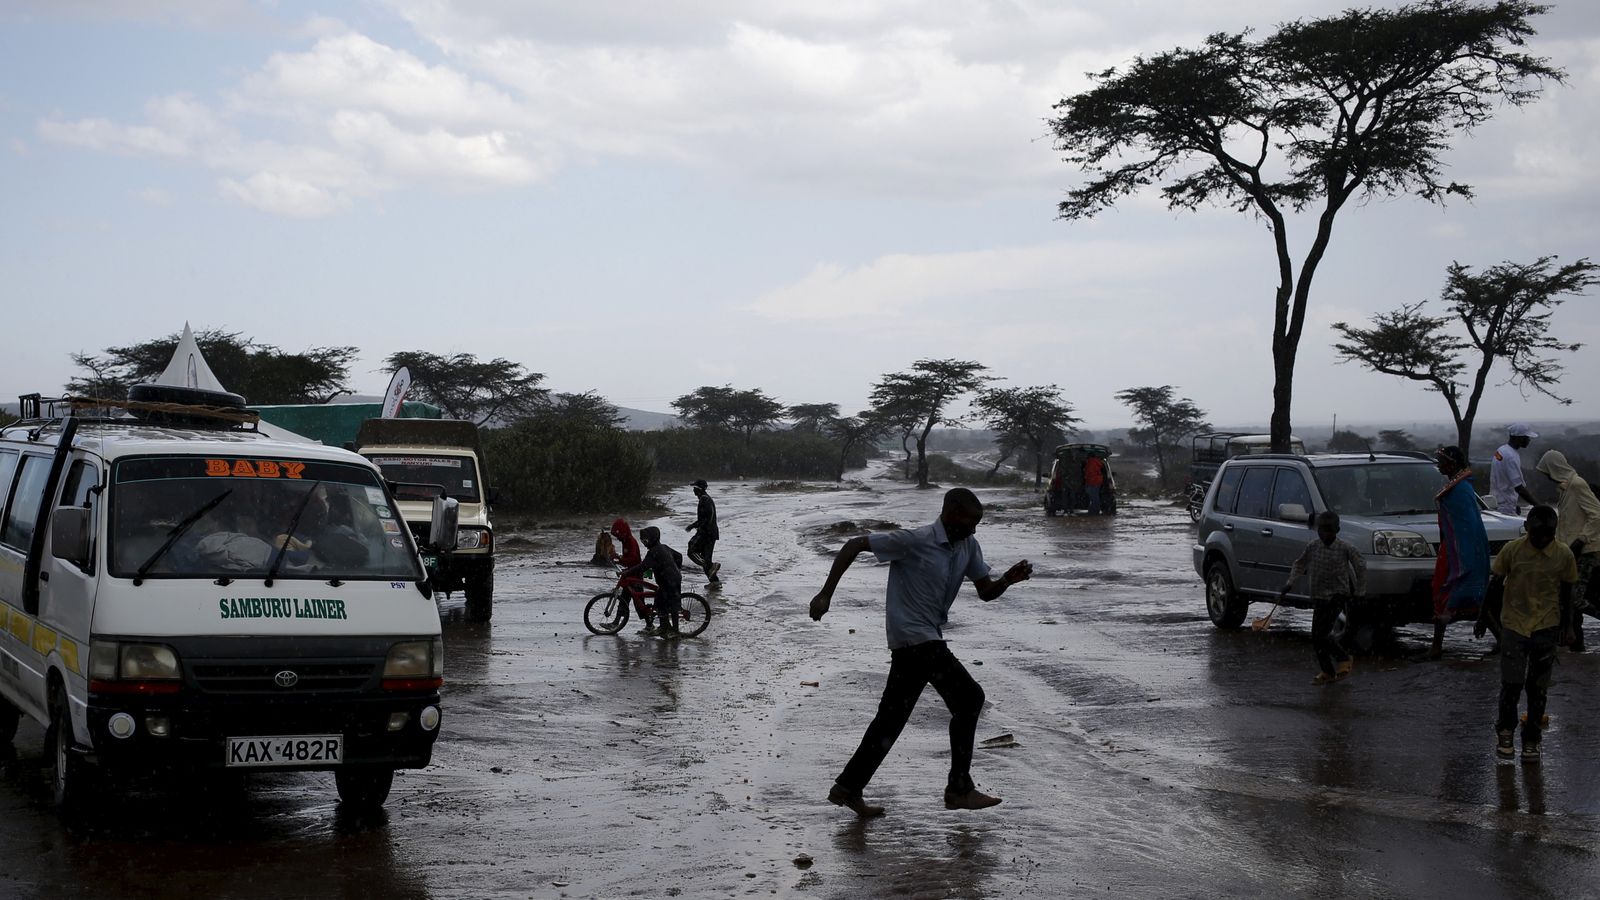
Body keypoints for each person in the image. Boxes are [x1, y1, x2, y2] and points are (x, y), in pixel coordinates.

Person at [809, 488, 1033, 817]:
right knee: (970, 699)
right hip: (914, 637)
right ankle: (959, 788)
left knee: (891, 719)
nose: (974, 529)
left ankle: (848, 787)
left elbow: (984, 592)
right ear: (952, 514)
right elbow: (854, 544)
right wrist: (825, 594)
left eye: (978, 523)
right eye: (970, 522)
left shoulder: (968, 546)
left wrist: (1007, 581)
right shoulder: (915, 540)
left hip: (921, 640)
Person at [1479, 506, 1576, 762]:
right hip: (1514, 625)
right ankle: (1506, 729)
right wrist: (1482, 618)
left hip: (1547, 626)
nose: (1542, 541)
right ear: (1528, 530)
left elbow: (1567, 593)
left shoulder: (1563, 555)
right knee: (1511, 683)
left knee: (1537, 688)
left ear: (1554, 532)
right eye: (1537, 535)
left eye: (1548, 536)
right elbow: (1495, 586)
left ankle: (1532, 738)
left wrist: (1568, 627)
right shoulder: (1512, 550)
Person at [1279, 511, 1366, 684]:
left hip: (1337, 595)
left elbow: (1361, 564)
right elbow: (1300, 563)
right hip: (1319, 596)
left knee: (1322, 634)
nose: (1325, 534)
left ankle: (1343, 658)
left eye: (1329, 530)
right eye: (1321, 530)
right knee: (1316, 636)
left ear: (1337, 530)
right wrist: (1290, 582)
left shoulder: (1344, 548)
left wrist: (1360, 592)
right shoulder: (1313, 546)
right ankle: (1327, 671)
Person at [1534, 449, 1600, 652]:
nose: (1546, 476)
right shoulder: (1565, 489)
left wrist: (1581, 540)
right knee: (1568, 600)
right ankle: (1576, 646)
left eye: (1547, 472)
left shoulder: (1577, 485)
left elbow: (1596, 514)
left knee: (1575, 599)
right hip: (1570, 552)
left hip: (1585, 551)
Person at [1431, 446, 1491, 659]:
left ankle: (1436, 648)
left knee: (1445, 591)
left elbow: (1464, 526)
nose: (1439, 465)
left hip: (1459, 550)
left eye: (1442, 461)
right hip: (1455, 547)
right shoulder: (1459, 487)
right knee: (1471, 598)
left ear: (1453, 464)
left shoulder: (1460, 490)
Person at [618, 526, 684, 636]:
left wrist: (627, 573)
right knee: (659, 603)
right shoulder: (663, 547)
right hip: (667, 579)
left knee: (672, 605)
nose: (644, 542)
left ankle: (675, 631)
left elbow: (642, 567)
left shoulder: (654, 552)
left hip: (670, 580)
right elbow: (679, 557)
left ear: (653, 538)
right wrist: (676, 569)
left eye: (646, 539)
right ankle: (664, 627)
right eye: (642, 540)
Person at [610, 518, 651, 630]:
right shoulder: (625, 541)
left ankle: (649, 625)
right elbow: (628, 559)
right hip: (630, 575)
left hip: (636, 575)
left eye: (618, 536)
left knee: (639, 602)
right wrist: (619, 559)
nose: (617, 539)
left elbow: (633, 559)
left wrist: (619, 558)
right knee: (624, 599)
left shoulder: (630, 542)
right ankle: (616, 622)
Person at [1491, 424, 1540, 515]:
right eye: (1527, 437)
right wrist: (1537, 505)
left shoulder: (1501, 450)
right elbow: (1518, 487)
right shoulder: (1511, 457)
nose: (1529, 440)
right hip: (1505, 506)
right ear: (1520, 438)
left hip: (1495, 501)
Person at [686, 479, 721, 584]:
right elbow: (706, 517)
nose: (693, 490)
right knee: (705, 558)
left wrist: (696, 527)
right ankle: (715, 583)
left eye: (695, 488)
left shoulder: (704, 500)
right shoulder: (706, 499)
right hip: (711, 533)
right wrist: (694, 526)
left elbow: (707, 518)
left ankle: (711, 566)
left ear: (699, 489)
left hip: (707, 533)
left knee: (691, 551)